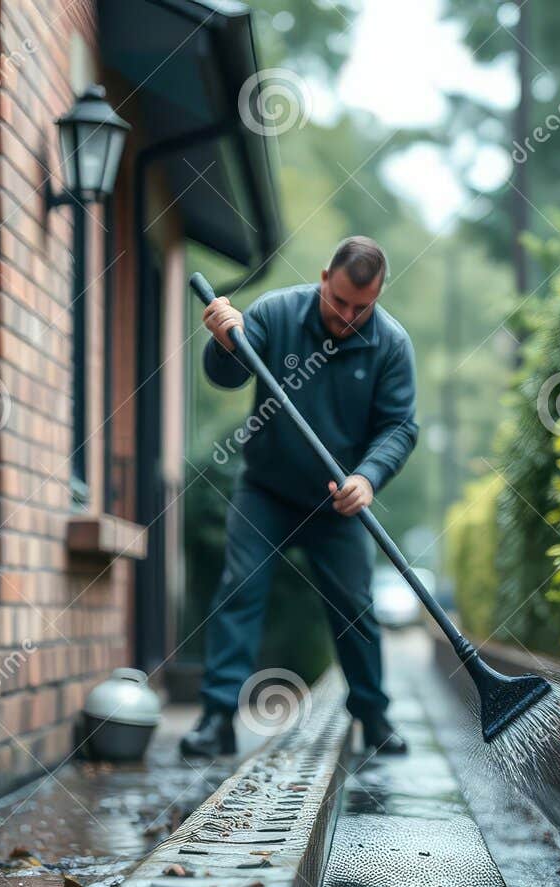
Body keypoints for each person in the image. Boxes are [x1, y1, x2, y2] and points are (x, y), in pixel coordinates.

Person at [179, 237, 418, 758]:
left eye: (363, 307)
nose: (349, 316)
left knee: (355, 605)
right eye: (340, 302)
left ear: (377, 297)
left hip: (340, 503)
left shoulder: (391, 345)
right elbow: (227, 375)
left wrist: (370, 477)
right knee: (239, 589)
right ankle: (217, 718)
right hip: (267, 490)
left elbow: (400, 427)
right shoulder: (275, 313)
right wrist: (221, 340)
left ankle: (374, 717)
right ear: (324, 276)